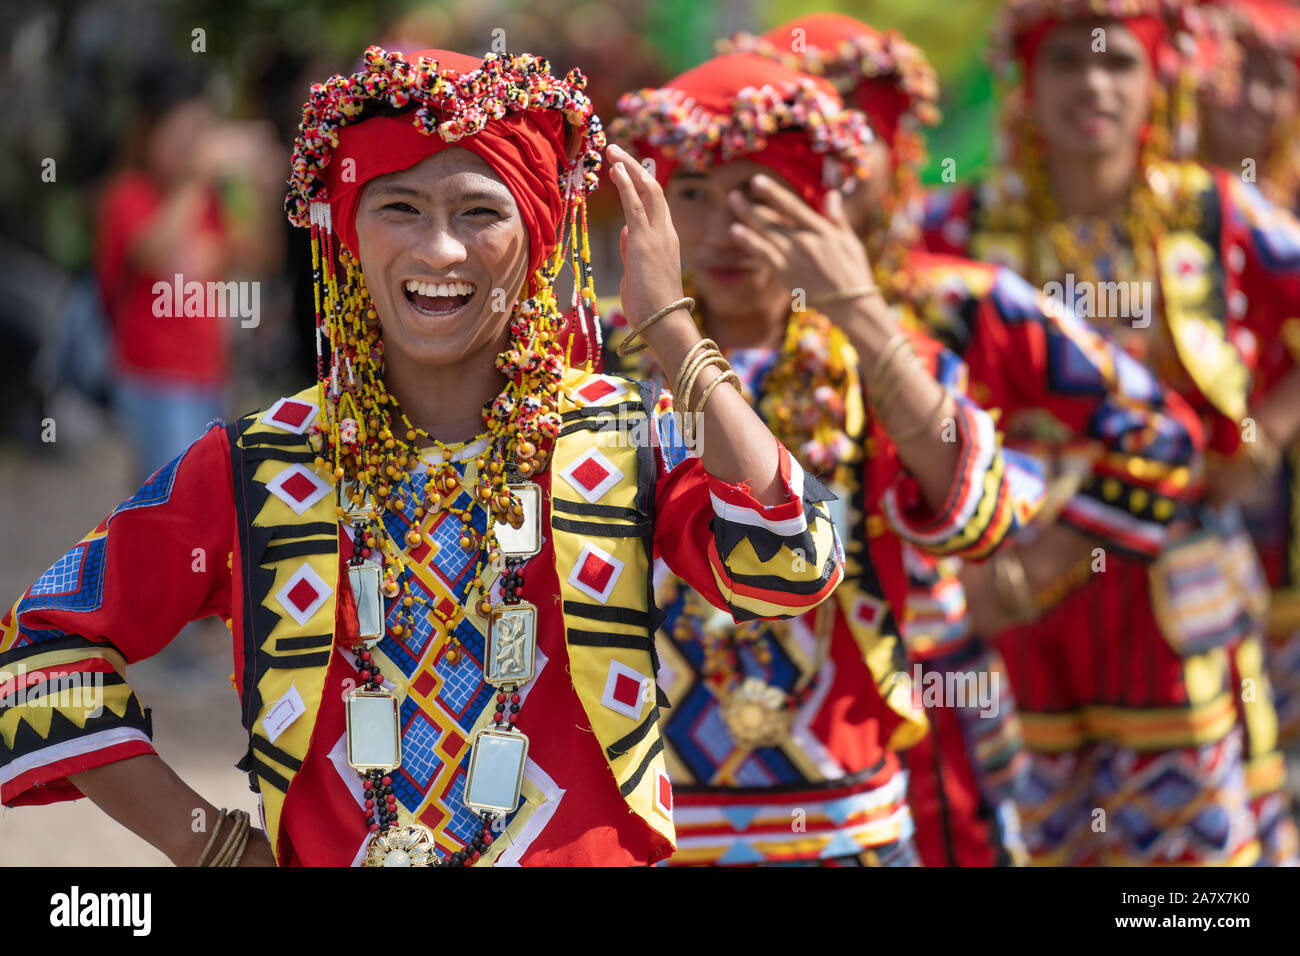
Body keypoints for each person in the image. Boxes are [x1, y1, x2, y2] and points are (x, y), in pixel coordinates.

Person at [0, 47, 847, 867]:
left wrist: (670, 330)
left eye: (480, 212)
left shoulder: (619, 437)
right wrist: (211, 845)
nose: (439, 251)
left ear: (541, 234)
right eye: (399, 207)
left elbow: (792, 562)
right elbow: (39, 650)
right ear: (348, 232)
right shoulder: (265, 460)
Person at [609, 47, 1202, 865]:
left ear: (820, 204)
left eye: (760, 196)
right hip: (650, 818)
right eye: (693, 197)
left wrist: (859, 310)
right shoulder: (599, 362)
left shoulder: (879, 359)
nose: (725, 232)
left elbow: (979, 515)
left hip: (849, 821)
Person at [923, 0, 1300, 865]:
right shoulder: (960, 227)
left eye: (1119, 63)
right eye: (1065, 62)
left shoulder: (1213, 214)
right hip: (1014, 584)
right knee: (1029, 829)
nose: (1092, 84)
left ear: (1161, 79)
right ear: (1026, 82)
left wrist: (1262, 436)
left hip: (1174, 580)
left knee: (1190, 858)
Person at [1196, 0, 1300, 813]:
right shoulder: (1144, 207)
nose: (1255, 103)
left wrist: (1259, 436)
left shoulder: (1277, 221)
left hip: (1263, 513)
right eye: (1239, 75)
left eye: (1280, 83)